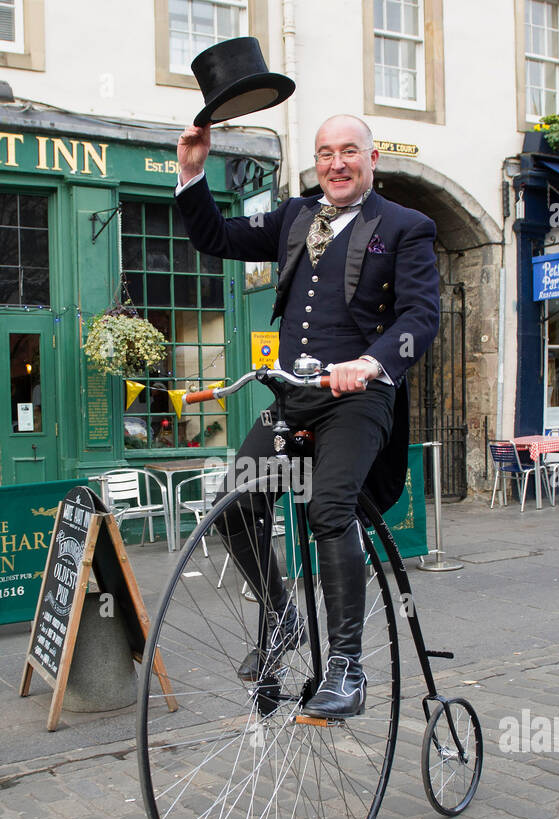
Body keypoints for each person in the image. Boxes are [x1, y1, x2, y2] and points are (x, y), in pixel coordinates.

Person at [175, 114, 440, 718]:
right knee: (237, 499)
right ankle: (282, 617)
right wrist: (192, 171)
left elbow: (422, 316)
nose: (336, 163)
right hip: (296, 397)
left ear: (372, 159)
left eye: (350, 151)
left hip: (359, 399)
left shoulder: (407, 227)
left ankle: (347, 667)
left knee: (329, 507)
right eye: (326, 153)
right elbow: (217, 237)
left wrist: (371, 364)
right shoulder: (296, 216)